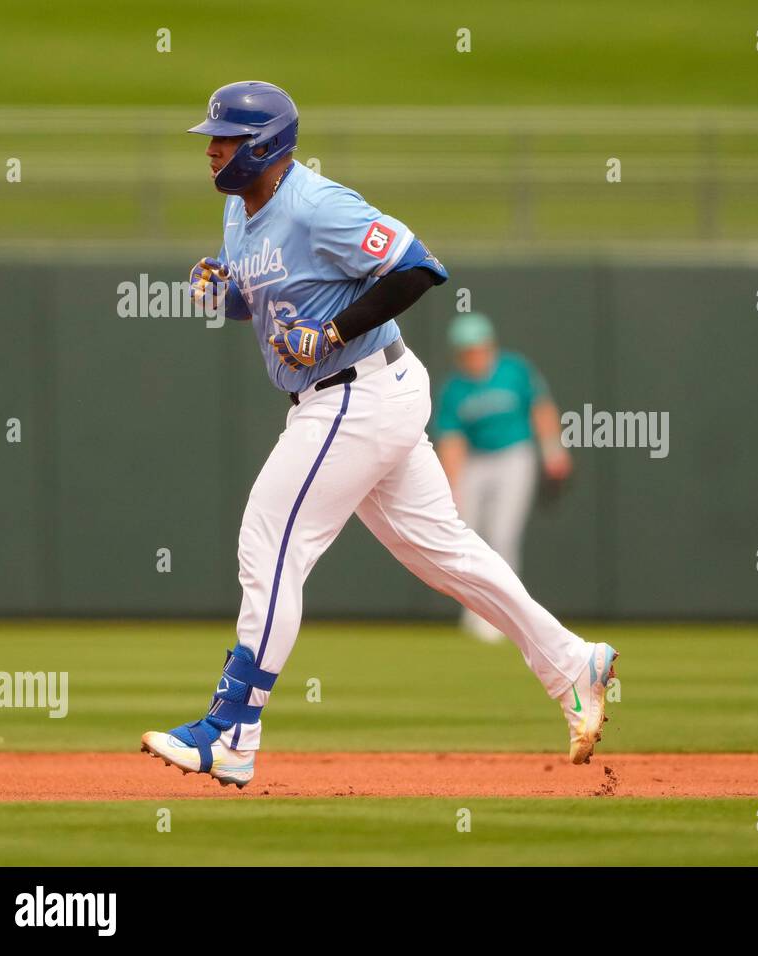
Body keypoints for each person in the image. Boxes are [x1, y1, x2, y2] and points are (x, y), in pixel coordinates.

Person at [139, 81, 617, 787]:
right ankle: (573, 661)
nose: (211, 150)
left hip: (355, 391)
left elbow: (420, 266)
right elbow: (265, 297)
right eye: (211, 138)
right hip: (355, 393)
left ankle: (232, 730)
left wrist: (333, 331)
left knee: (270, 541)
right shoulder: (240, 212)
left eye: (225, 139)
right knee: (443, 552)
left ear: (264, 146)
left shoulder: (316, 204)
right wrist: (227, 294)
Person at [434, 313, 572, 642]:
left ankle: (503, 615)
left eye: (478, 348)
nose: (474, 356)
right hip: (475, 462)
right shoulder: (455, 389)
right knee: (466, 535)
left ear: (489, 346)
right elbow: (451, 440)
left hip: (514, 456)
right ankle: (476, 611)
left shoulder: (514, 371)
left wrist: (553, 450)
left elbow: (541, 408)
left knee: (502, 534)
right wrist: (452, 485)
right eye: (467, 351)